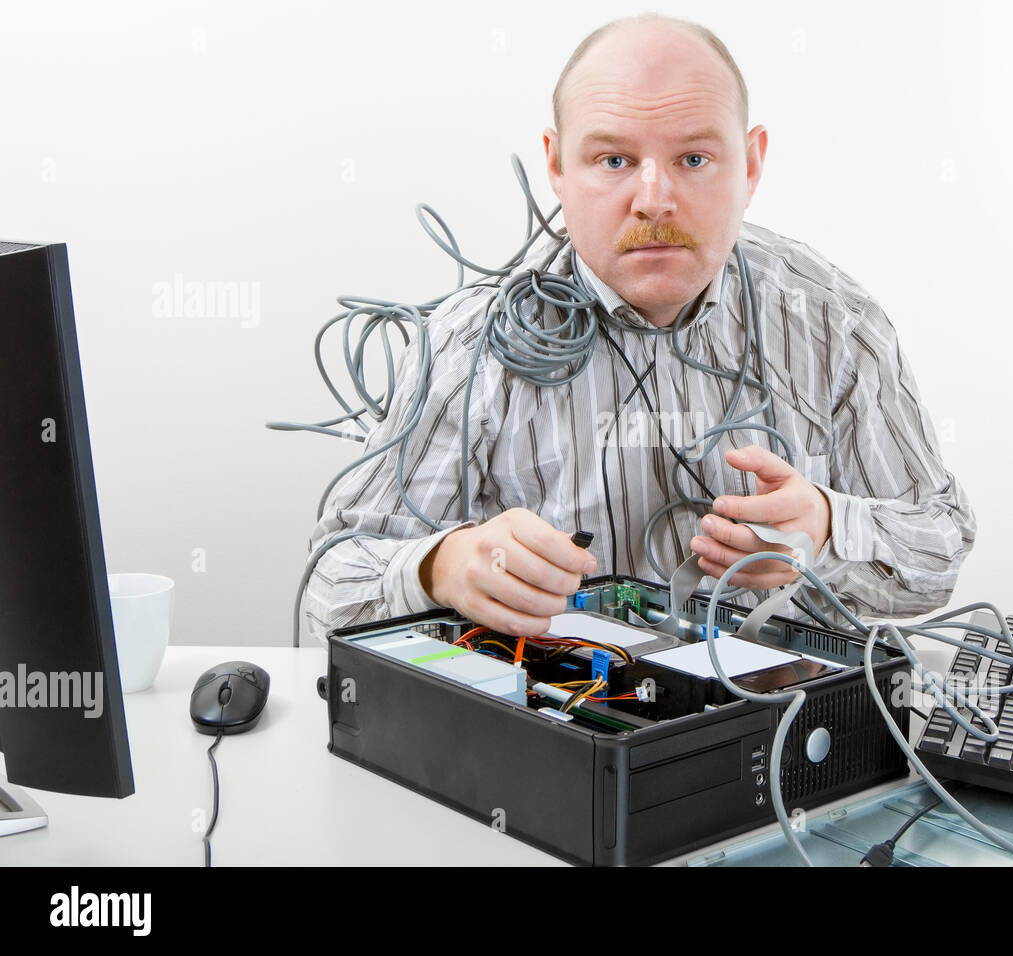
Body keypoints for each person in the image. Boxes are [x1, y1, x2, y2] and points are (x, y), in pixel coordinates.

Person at [300, 13, 976, 646]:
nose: (654, 200)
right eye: (615, 161)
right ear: (557, 166)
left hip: (782, 733)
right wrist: (439, 567)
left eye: (693, 160)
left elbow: (939, 548)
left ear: (751, 164)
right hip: (563, 738)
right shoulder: (467, 342)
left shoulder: (832, 323)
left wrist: (829, 529)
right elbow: (330, 580)